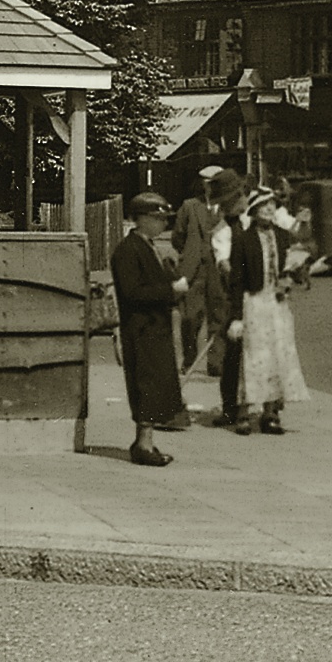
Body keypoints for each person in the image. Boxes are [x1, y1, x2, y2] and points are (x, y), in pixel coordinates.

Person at [110, 192, 190, 465]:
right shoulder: (128, 250)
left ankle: (147, 443)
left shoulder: (148, 247)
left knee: (157, 386)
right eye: (157, 219)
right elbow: (134, 292)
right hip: (141, 330)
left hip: (154, 329)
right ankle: (143, 445)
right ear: (141, 219)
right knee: (146, 386)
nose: (162, 224)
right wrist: (170, 290)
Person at [224, 181, 307, 434]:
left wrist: (290, 278)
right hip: (254, 302)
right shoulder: (243, 240)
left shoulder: (282, 236)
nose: (269, 209)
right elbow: (236, 281)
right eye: (263, 206)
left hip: (277, 304)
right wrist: (236, 317)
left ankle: (271, 413)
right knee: (252, 358)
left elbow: (295, 266)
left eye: (272, 205)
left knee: (278, 356)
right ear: (253, 211)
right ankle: (245, 412)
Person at [200, 167, 249, 426]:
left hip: (258, 295)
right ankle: (231, 407)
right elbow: (224, 265)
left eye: (232, 200)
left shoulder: (255, 220)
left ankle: (259, 407)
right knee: (232, 354)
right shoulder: (221, 232)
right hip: (234, 297)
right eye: (223, 203)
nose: (230, 206)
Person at [172, 165, 229, 380]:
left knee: (219, 314)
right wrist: (190, 255)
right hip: (195, 270)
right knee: (189, 316)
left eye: (214, 183)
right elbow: (178, 236)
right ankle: (189, 360)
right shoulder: (190, 206)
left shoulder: (227, 207)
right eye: (206, 182)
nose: (209, 187)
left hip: (219, 269)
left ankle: (216, 363)